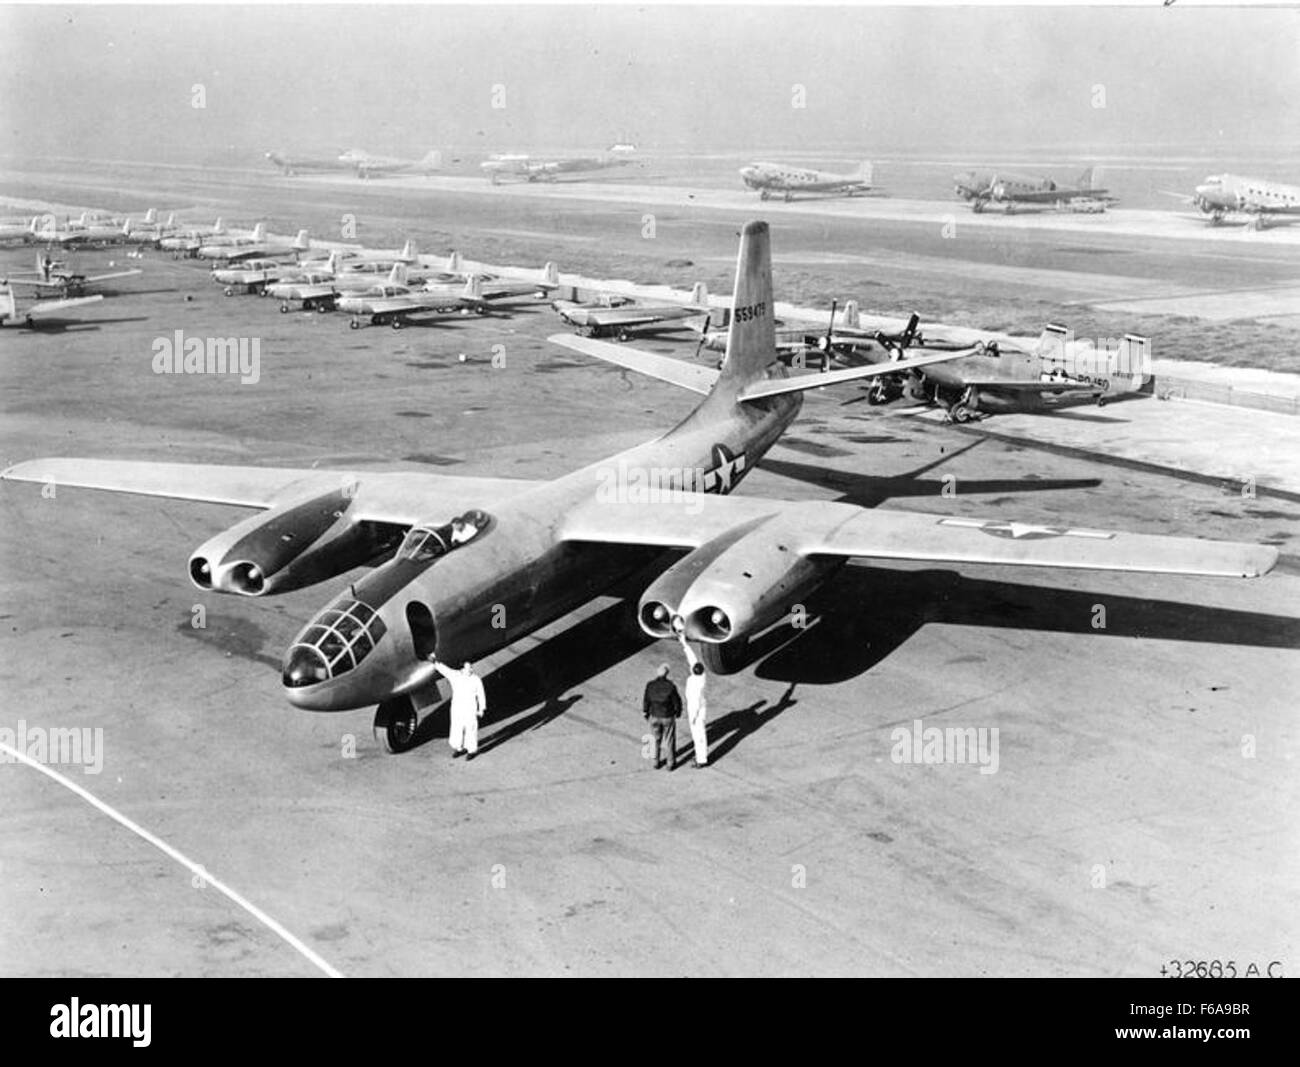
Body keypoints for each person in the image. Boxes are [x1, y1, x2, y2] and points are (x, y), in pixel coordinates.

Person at [429, 655, 487, 760]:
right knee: (457, 727)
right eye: (468, 668)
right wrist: (435, 662)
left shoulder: (476, 679)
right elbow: (444, 670)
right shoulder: (455, 676)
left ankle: (471, 750)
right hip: (458, 708)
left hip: (470, 708)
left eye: (471, 667)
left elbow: (481, 694)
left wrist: (481, 708)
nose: (470, 670)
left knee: (471, 728)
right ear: (462, 669)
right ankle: (459, 748)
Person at [642, 663, 682, 770]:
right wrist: (678, 713)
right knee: (669, 740)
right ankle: (670, 763)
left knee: (655, 739)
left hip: (654, 715)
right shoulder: (671, 687)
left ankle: (656, 761)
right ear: (667, 674)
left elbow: (646, 700)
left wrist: (645, 712)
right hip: (667, 716)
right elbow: (677, 702)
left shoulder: (650, 685)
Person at [678, 634, 708, 767]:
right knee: (698, 735)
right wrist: (684, 644)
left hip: (696, 710)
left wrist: (693, 717)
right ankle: (700, 757)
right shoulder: (701, 675)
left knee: (699, 735)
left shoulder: (697, 684)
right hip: (699, 706)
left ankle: (701, 760)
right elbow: (692, 659)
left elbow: (695, 703)